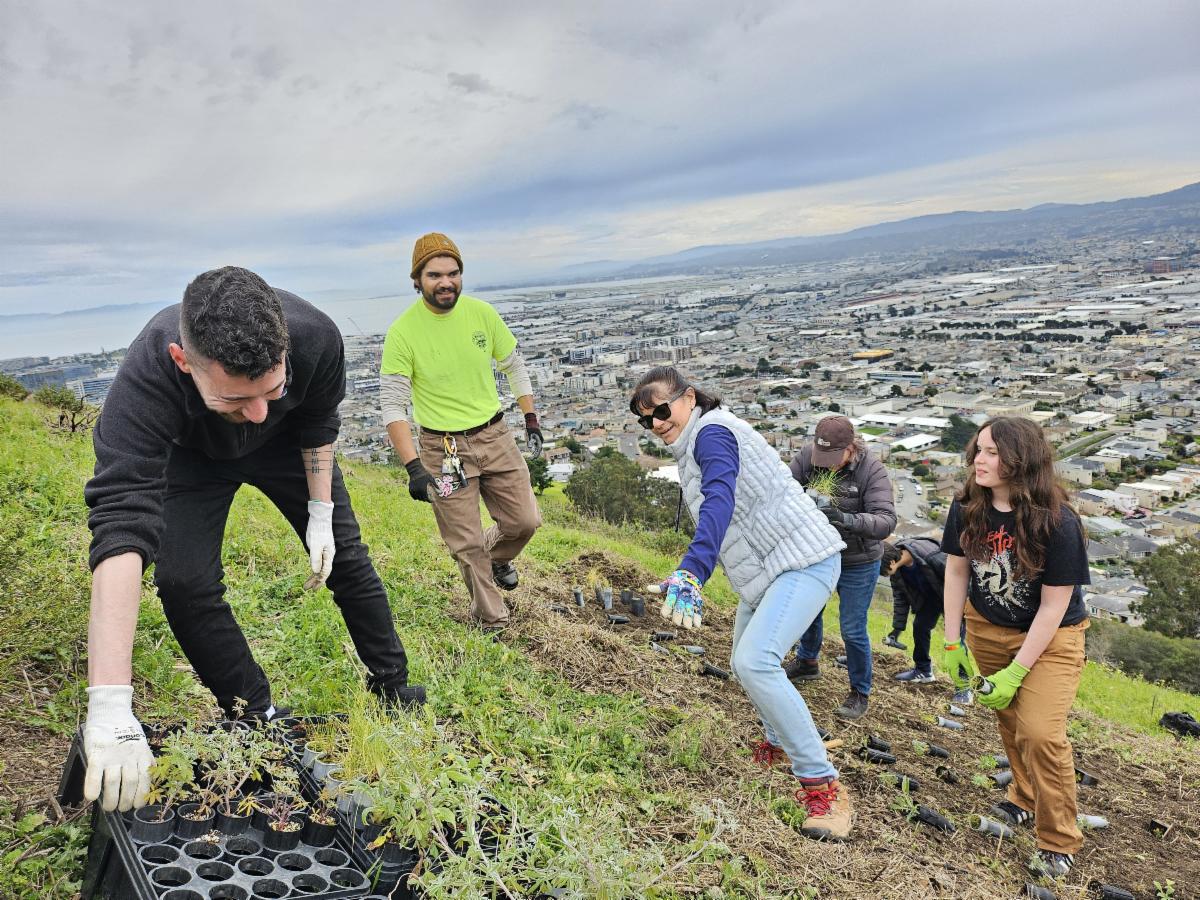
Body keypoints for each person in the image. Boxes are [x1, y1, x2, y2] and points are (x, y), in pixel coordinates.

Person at [82, 267, 422, 813]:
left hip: (288, 447)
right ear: (183, 362)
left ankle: (392, 682)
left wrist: (319, 511)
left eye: (273, 389)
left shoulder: (316, 336)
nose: (257, 412)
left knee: (346, 556)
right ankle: (254, 713)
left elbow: (317, 423)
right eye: (235, 398)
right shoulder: (145, 381)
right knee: (184, 582)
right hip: (194, 459)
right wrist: (110, 703)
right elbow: (121, 526)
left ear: (285, 349)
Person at [631, 366, 853, 841]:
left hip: (802, 561)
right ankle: (778, 742)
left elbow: (720, 500)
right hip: (771, 571)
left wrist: (693, 569)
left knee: (756, 661)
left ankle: (824, 786)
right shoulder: (696, 442)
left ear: (689, 397)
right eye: (645, 419)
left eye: (662, 410)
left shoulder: (711, 434)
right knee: (743, 663)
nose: (657, 424)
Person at [940, 417, 1090, 879]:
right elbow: (957, 571)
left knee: (1040, 732)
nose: (978, 460)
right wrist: (951, 640)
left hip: (1052, 636)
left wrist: (1018, 670)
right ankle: (1023, 796)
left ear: (1020, 460)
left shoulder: (1058, 521)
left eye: (991, 452)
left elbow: (1054, 605)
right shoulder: (967, 506)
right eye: (978, 450)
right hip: (987, 627)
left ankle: (1059, 839)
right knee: (1008, 719)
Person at [379, 233, 542, 631]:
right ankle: (492, 619)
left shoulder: (482, 314)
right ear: (417, 280)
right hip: (444, 450)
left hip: (495, 436)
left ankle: (497, 558)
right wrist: (413, 466)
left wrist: (530, 418)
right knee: (465, 542)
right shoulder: (403, 332)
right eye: (434, 275)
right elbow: (393, 405)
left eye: (453, 273)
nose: (446, 282)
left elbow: (514, 365)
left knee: (524, 521)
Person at [783, 416, 896, 721]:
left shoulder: (871, 469)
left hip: (857, 559)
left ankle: (860, 691)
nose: (828, 466)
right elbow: (783, 491)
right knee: (808, 611)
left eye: (834, 458)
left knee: (852, 628)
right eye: (823, 458)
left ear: (850, 448)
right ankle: (807, 662)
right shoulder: (807, 457)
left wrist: (846, 519)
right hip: (817, 552)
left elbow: (886, 520)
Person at [881, 539, 946, 684]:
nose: (885, 576)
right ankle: (924, 670)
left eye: (884, 572)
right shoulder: (896, 566)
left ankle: (964, 685)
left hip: (952, 596)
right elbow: (900, 598)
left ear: (891, 563)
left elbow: (959, 576)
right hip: (931, 599)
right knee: (920, 626)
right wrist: (897, 629)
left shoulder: (929, 554)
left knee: (955, 641)